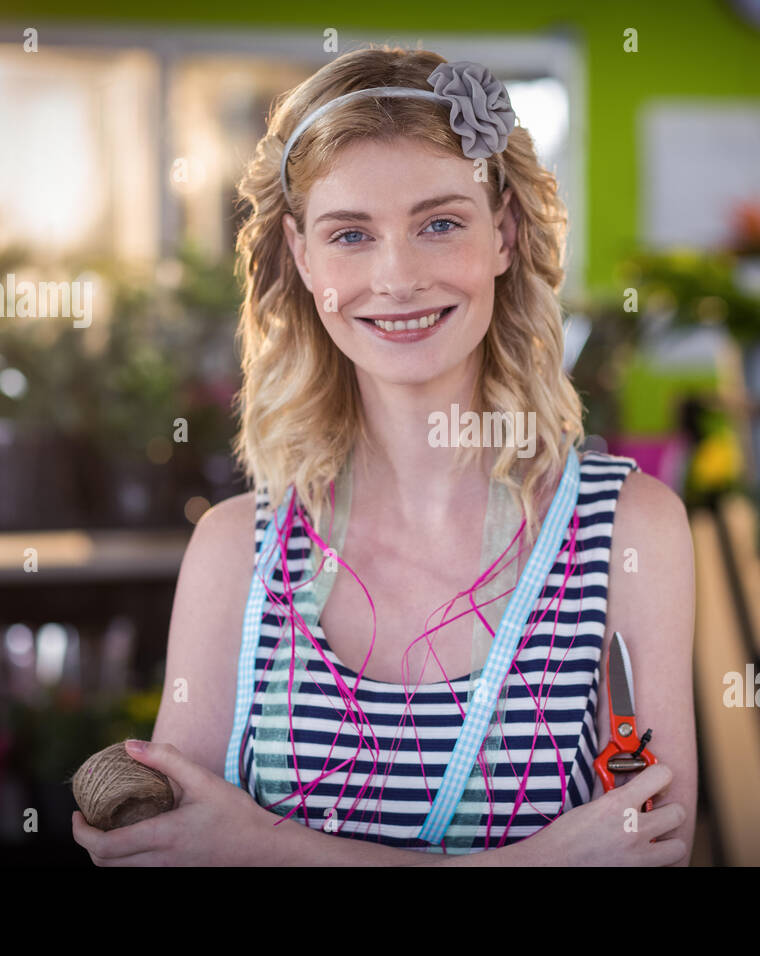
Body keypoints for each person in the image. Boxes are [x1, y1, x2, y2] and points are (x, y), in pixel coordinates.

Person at [73, 45, 696, 866]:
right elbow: (179, 857)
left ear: (503, 235)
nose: (397, 276)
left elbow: (656, 855)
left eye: (439, 223)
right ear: (301, 257)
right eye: (351, 234)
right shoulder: (236, 555)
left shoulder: (629, 533)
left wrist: (260, 845)